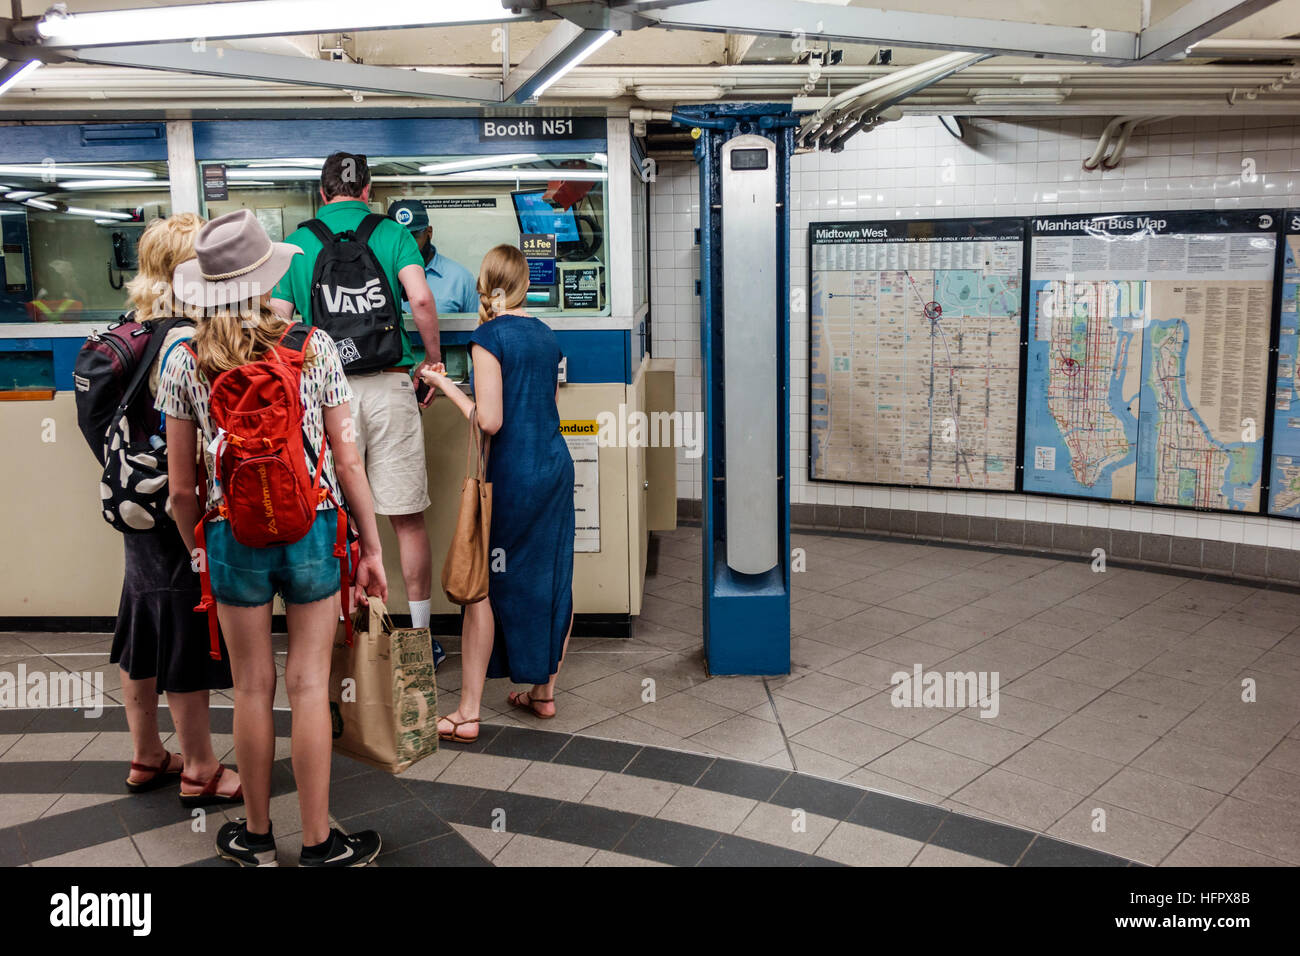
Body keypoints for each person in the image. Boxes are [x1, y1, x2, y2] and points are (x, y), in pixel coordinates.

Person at [160, 209, 388, 867]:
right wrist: (370, 548)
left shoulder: (184, 359)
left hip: (232, 536)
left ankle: (257, 836)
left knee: (252, 686)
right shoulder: (312, 346)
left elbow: (181, 488)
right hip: (313, 526)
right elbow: (349, 461)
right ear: (265, 277)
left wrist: (197, 547)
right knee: (310, 685)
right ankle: (319, 843)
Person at [269, 154, 445, 668]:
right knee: (406, 521)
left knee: (339, 520)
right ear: (367, 190)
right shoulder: (392, 234)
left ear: (321, 193)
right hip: (390, 386)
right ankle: (418, 641)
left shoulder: (297, 242)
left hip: (326, 396)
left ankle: (356, 640)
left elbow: (279, 321)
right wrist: (431, 364)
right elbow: (422, 301)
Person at [418, 244, 575, 742]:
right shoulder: (547, 337)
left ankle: (467, 712)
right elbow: (546, 407)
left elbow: (490, 421)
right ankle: (542, 694)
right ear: (525, 282)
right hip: (553, 469)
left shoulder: (488, 336)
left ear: (486, 285)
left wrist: (445, 388)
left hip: (512, 476)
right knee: (553, 577)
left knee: (482, 586)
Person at [114, 213, 242, 806]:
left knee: (140, 623)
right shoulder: (188, 341)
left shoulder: (122, 335)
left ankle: (146, 754)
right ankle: (200, 767)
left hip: (134, 505)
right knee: (185, 630)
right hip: (179, 510)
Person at [386, 200, 477, 314]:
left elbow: (477, 328)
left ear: (429, 232)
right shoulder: (379, 277)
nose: (407, 246)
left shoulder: (460, 278)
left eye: (414, 237)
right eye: (399, 239)